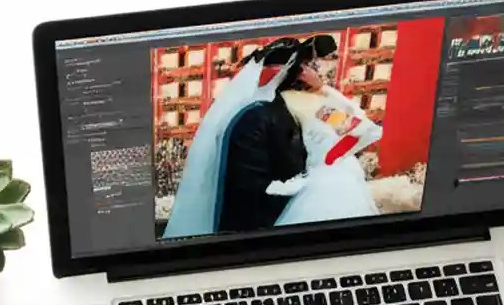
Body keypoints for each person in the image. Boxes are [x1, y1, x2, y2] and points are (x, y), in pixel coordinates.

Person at [162, 38, 306, 239]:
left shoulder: (252, 109)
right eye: (303, 67)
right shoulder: (261, 116)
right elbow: (256, 183)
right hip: (252, 225)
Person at [269, 36, 383, 226]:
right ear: (301, 73)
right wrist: (323, 89)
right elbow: (362, 128)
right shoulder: (311, 104)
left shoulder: (286, 101)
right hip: (334, 183)